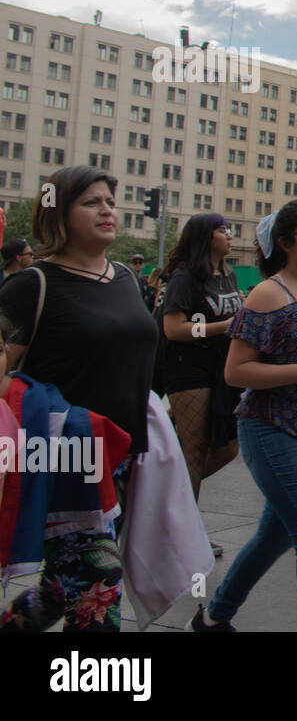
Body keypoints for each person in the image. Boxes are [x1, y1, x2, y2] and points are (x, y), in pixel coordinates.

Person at [0, 166, 159, 632]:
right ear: (58, 213)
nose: (107, 209)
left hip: (123, 457)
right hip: (64, 462)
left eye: (110, 200)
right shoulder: (32, 285)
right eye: (91, 202)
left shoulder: (126, 278)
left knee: (62, 587)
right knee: (97, 586)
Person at [194, 197, 297, 631]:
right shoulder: (268, 293)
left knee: (277, 534)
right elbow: (235, 372)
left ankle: (215, 616)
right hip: (272, 428)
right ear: (286, 242)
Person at [160, 212, 244, 558]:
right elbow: (173, 329)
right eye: (223, 230)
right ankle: (184, 535)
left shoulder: (228, 273)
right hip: (188, 368)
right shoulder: (185, 278)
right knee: (193, 451)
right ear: (206, 237)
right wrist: (218, 328)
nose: (229, 234)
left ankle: (163, 499)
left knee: (227, 448)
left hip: (221, 368)